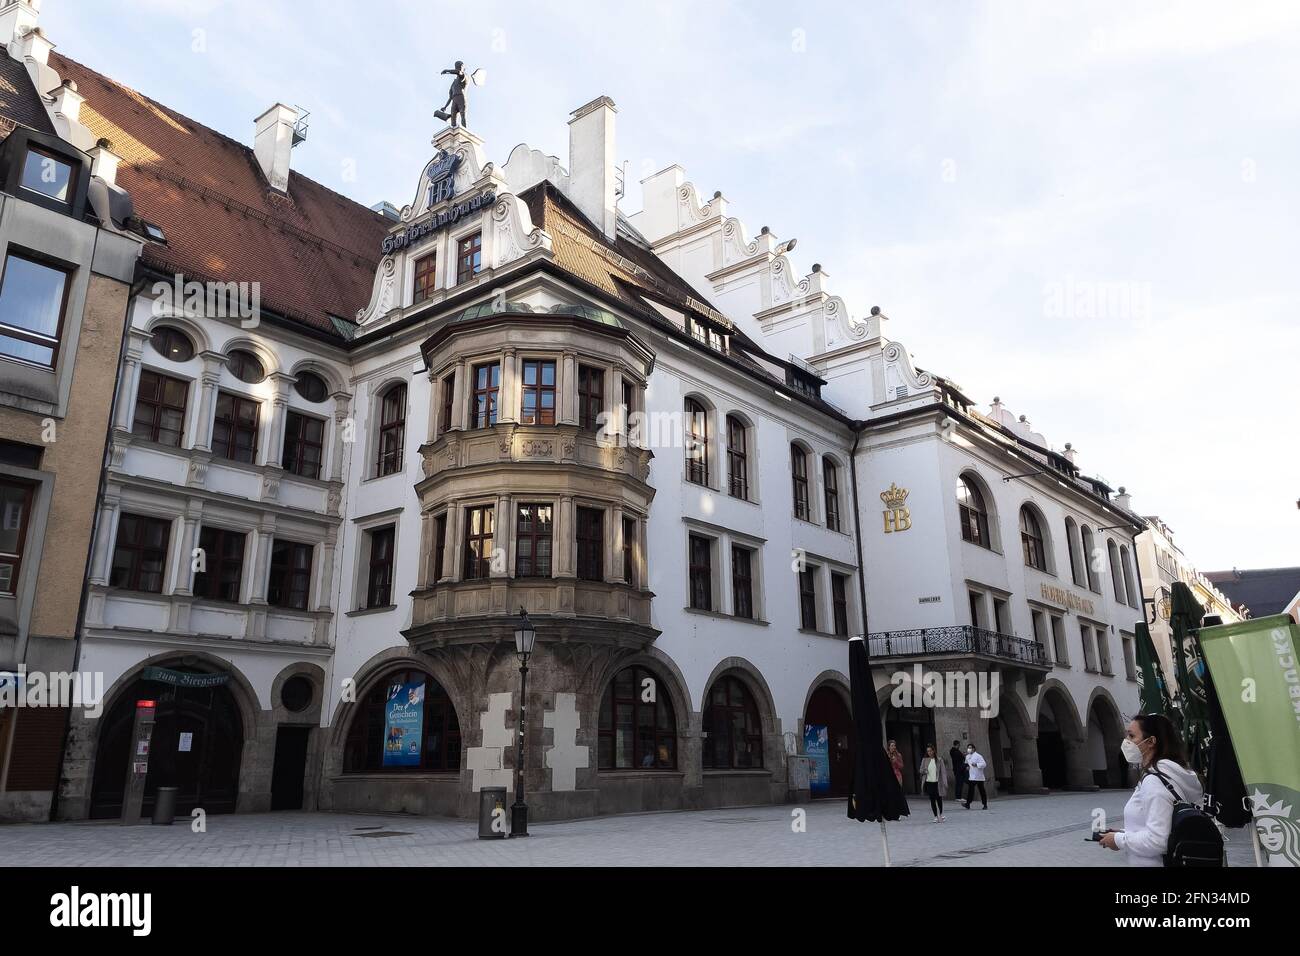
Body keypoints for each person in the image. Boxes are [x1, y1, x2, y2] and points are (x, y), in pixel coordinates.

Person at [1099, 713, 1204, 866]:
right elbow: (1165, 827)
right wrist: (1123, 834)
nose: (1126, 742)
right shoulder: (1167, 775)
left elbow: (1158, 841)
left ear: (1151, 741)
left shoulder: (1154, 781)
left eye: (1132, 736)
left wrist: (1118, 840)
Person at [919, 744, 949, 822]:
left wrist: (945, 783)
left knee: (939, 799)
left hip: (937, 782)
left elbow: (943, 772)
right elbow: (921, 770)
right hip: (929, 782)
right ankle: (935, 816)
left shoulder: (939, 760)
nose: (929, 752)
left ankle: (941, 814)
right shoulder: (925, 760)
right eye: (928, 751)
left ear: (934, 751)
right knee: (932, 799)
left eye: (931, 751)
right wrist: (924, 771)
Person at [962, 744, 988, 809]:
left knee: (982, 790)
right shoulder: (967, 756)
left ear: (973, 749)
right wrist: (966, 767)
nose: (968, 749)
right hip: (972, 776)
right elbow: (965, 764)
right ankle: (968, 804)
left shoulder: (978, 756)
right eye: (968, 748)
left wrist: (976, 764)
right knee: (970, 790)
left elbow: (984, 764)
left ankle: (985, 804)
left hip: (979, 776)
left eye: (970, 748)